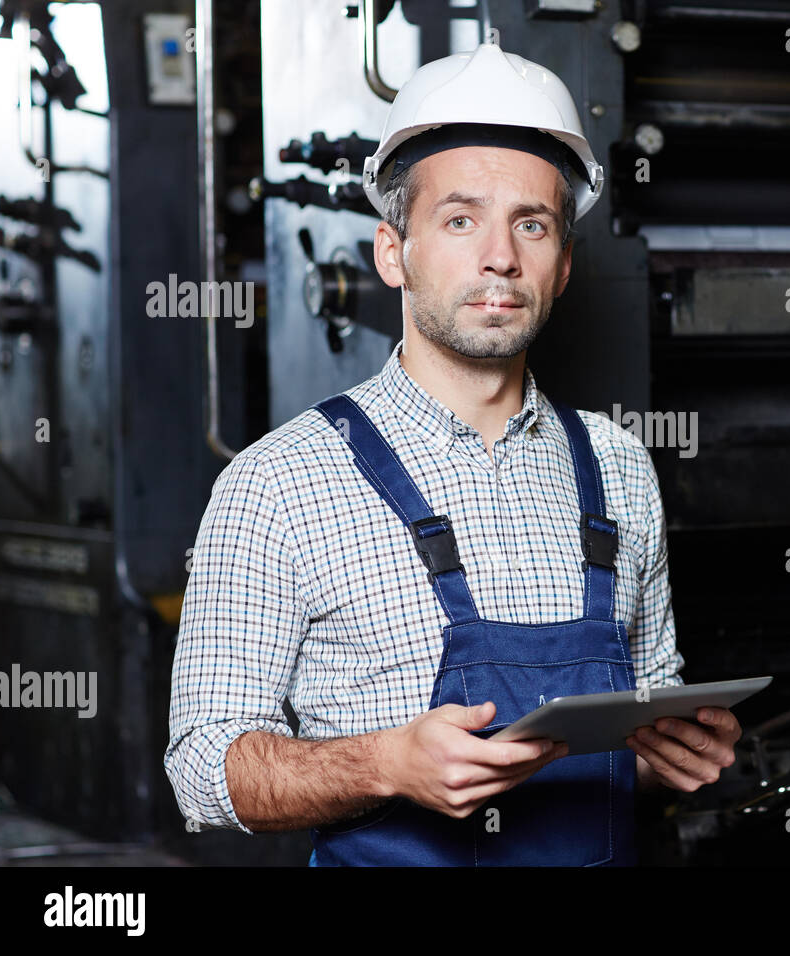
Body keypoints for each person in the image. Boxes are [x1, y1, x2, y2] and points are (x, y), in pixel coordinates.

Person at [164, 41, 741, 866]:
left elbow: (639, 733)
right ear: (392, 252)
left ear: (564, 264)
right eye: (460, 219)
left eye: (531, 225)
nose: (500, 257)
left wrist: (667, 757)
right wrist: (386, 763)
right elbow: (199, 771)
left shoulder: (618, 467)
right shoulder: (278, 482)